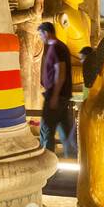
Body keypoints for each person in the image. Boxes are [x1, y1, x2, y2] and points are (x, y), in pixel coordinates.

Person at [37, 22, 75, 156]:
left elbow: (61, 72)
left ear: (46, 33)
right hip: (60, 96)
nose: (40, 38)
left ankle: (47, 162)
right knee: (66, 131)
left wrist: (54, 96)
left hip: (56, 96)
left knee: (46, 130)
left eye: (40, 35)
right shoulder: (58, 47)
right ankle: (72, 159)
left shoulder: (57, 48)